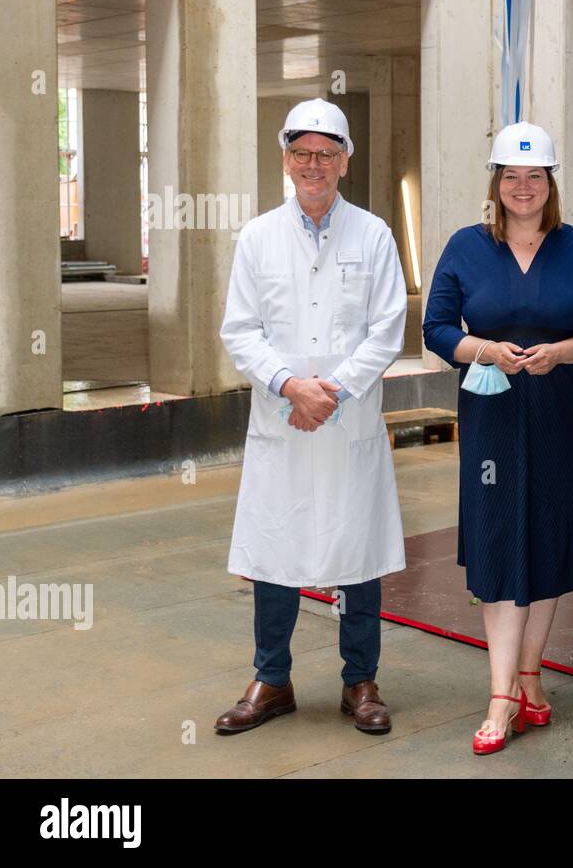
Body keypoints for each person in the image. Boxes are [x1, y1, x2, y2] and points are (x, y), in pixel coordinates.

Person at [423, 121, 573, 755]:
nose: (523, 187)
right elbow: (436, 328)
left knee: (550, 541)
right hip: (493, 421)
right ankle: (501, 693)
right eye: (512, 176)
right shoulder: (465, 246)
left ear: (550, 183)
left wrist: (562, 352)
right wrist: (484, 350)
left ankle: (530, 675)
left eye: (535, 176)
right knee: (500, 540)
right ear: (496, 182)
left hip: (561, 416)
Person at [216, 98, 407, 736]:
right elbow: (240, 330)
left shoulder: (375, 234)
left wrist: (332, 392)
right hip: (283, 420)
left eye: (327, 153)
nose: (314, 164)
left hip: (346, 422)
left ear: (345, 161)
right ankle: (272, 680)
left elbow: (387, 330)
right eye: (302, 153)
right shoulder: (257, 237)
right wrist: (291, 386)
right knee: (275, 552)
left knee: (357, 554)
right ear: (285, 159)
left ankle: (361, 682)